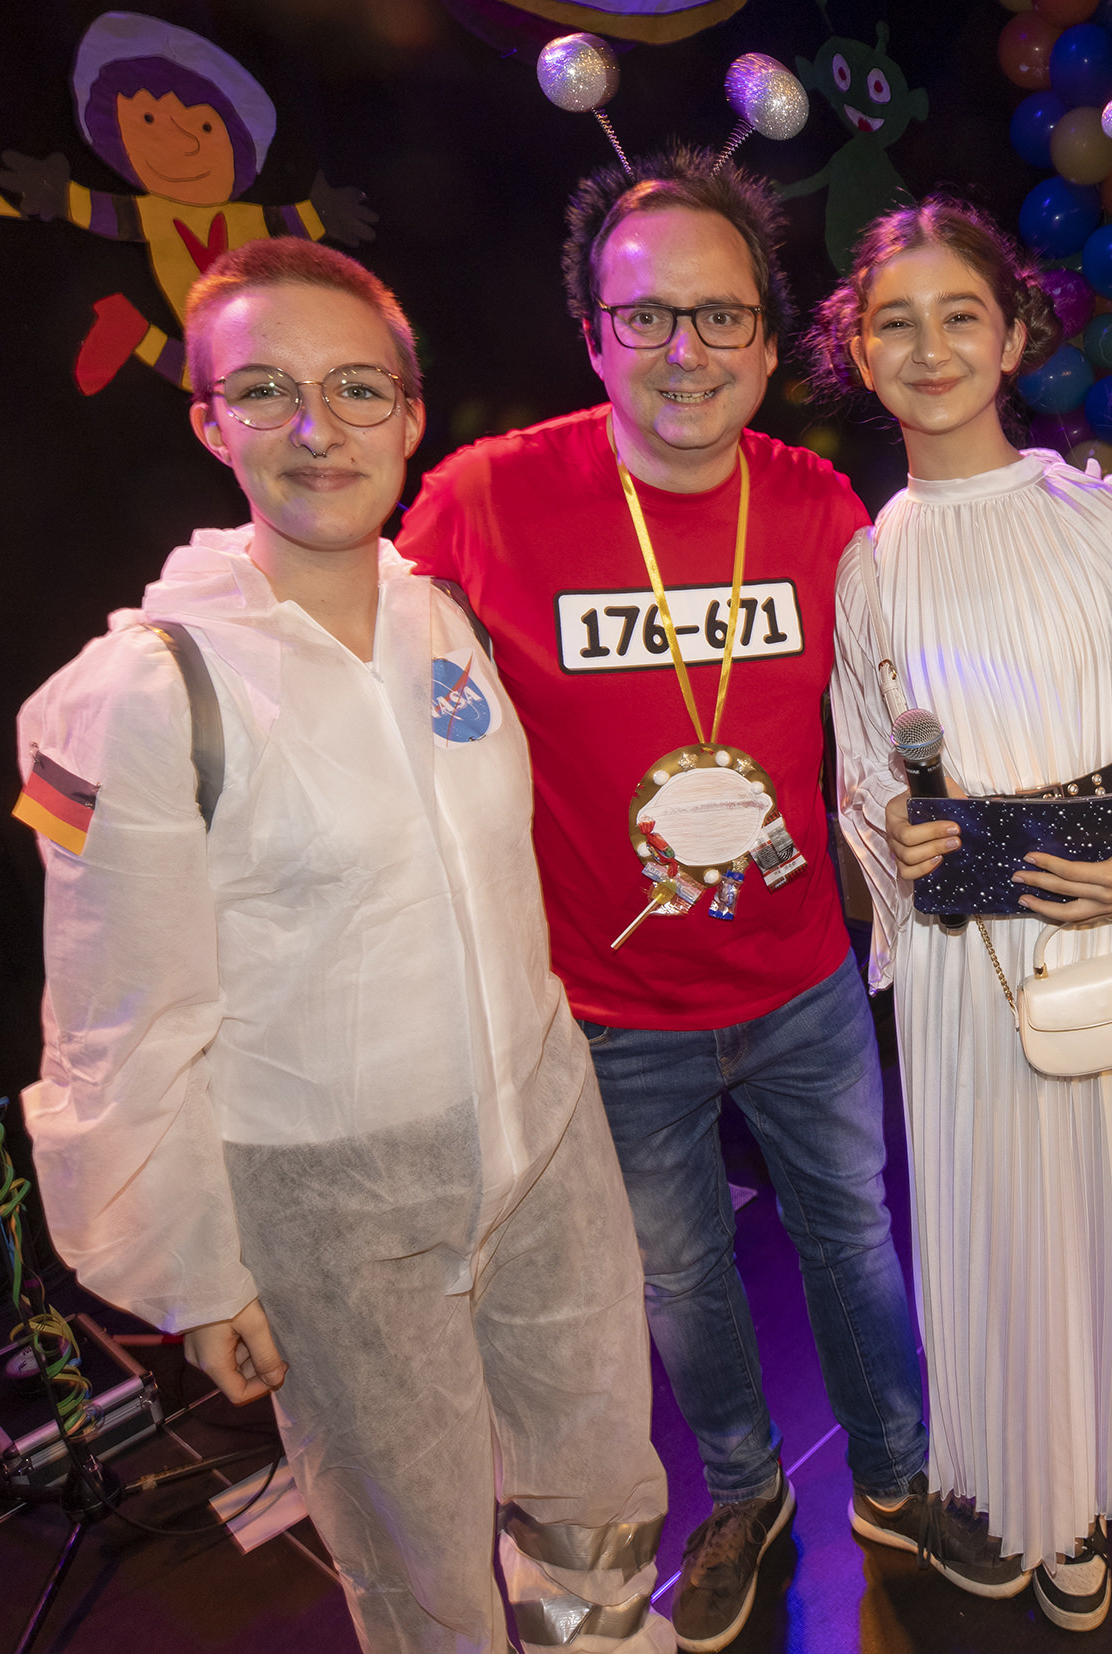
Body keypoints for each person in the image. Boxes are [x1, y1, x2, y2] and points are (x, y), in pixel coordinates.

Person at [15, 237, 671, 1653]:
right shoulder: (147, 693)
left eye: (357, 389)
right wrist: (198, 1274)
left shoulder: (443, 617)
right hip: (338, 1212)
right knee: (419, 1556)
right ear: (210, 422)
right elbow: (120, 1021)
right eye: (267, 390)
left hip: (544, 1148)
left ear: (411, 414)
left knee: (597, 1474)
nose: (318, 429)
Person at [397, 146, 940, 1653]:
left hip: (801, 977)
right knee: (684, 1278)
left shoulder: (820, 504)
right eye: (645, 317)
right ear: (593, 336)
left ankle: (898, 1481)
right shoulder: (483, 501)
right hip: (609, 1006)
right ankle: (747, 1496)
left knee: (852, 1240)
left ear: (767, 343)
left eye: (719, 318)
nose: (684, 351)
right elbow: (364, 684)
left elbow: (912, 695)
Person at [817, 197, 1112, 1632]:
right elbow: (865, 767)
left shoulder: (1107, 520)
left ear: (1013, 337)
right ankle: (1053, 1481)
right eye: (895, 323)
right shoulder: (869, 562)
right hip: (971, 959)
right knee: (1012, 1235)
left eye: (961, 315)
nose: (931, 347)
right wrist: (894, 834)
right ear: (860, 355)